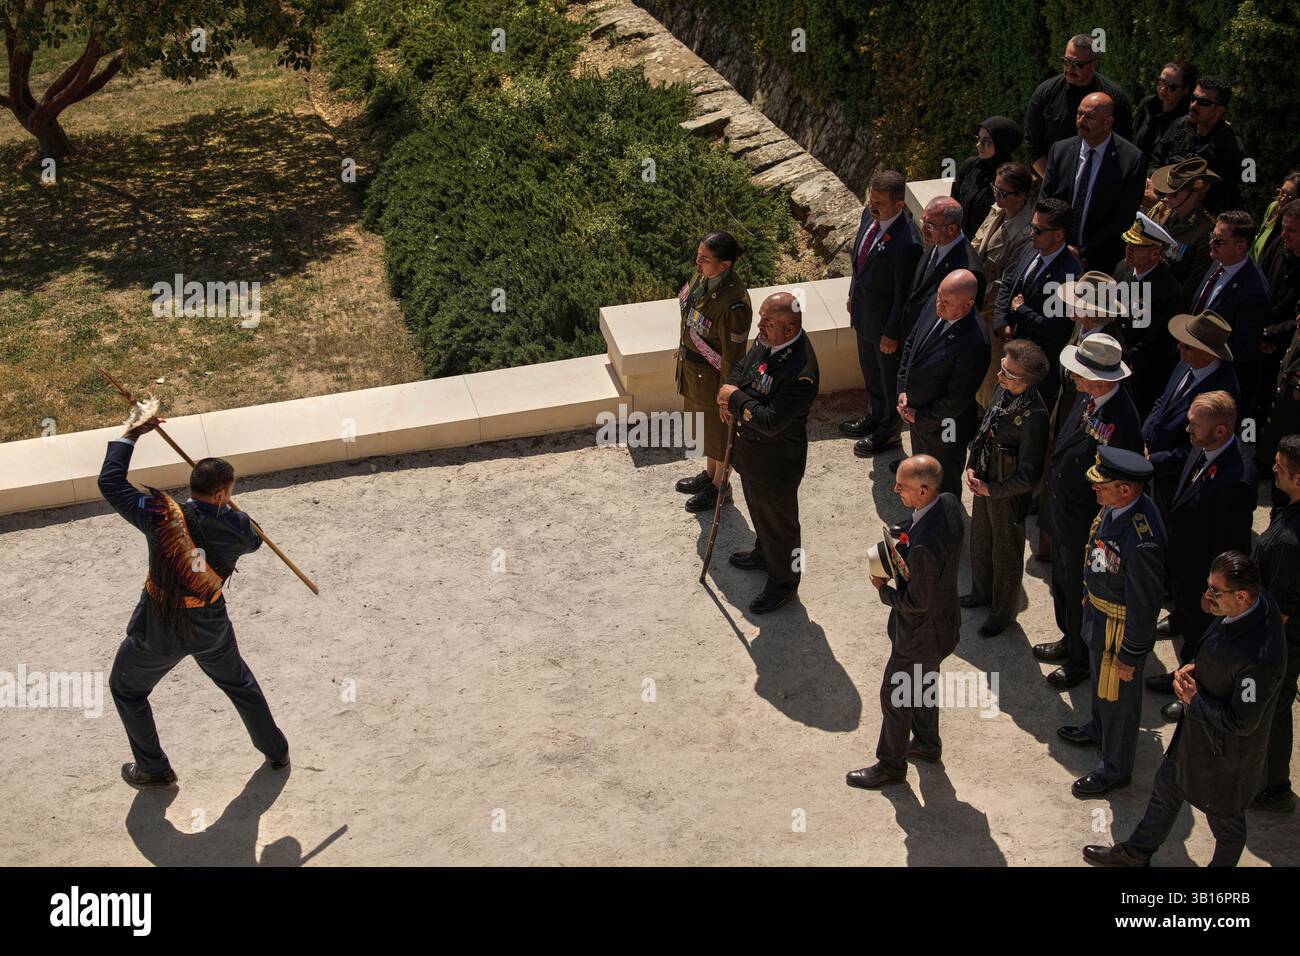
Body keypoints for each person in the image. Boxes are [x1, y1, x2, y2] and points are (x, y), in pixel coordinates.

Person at [99, 415, 290, 789]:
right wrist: (239, 515)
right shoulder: (240, 528)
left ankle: (154, 769)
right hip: (209, 625)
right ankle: (276, 750)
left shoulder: (158, 517)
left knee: (127, 689)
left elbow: (109, 482)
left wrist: (131, 434)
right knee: (239, 684)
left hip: (158, 627)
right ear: (221, 494)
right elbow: (254, 541)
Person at [1084, 552, 1286, 866]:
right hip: (1195, 737)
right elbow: (1223, 651)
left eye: (1216, 592)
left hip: (1223, 757)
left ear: (1242, 595)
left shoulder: (1257, 659)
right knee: (1167, 786)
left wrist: (1194, 698)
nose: (1207, 597)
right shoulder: (1255, 605)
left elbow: (1242, 722)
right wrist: (1200, 667)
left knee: (1226, 824)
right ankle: (1137, 853)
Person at [847, 455, 965, 790]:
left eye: (904, 486)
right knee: (923, 684)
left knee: (895, 696)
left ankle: (890, 766)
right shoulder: (949, 502)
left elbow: (916, 601)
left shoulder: (925, 549)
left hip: (919, 635)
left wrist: (883, 590)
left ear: (925, 490)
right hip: (944, 626)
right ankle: (927, 743)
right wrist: (903, 535)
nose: (895, 488)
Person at [1033, 335, 1143, 690]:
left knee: (1081, 590)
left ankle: (1080, 661)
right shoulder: (1088, 398)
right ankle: (1070, 640)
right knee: (1063, 585)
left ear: (1102, 379)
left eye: (1080, 374)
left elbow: (1120, 485)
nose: (1073, 378)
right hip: (1064, 512)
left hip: (1086, 523)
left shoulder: (1122, 420)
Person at [1057, 447, 1167, 798]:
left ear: (1126, 489)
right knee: (1102, 691)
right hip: (1100, 614)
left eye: (1102, 485)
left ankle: (1115, 768)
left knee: (1120, 697)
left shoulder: (1141, 537)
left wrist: (1131, 655)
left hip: (1120, 629)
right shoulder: (1117, 509)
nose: (1095, 490)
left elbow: (1145, 604)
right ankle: (1099, 728)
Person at [1146, 391, 1255, 722]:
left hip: (1204, 576)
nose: (1187, 430)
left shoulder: (1237, 479)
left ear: (1220, 431)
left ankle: (1194, 691)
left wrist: (1214, 592)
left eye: (1194, 424)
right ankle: (1183, 672)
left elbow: (1231, 547)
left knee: (1205, 636)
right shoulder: (1203, 447)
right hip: (1184, 567)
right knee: (1190, 631)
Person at [854, 196, 984, 457]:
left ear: (952, 229)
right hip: (916, 341)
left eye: (931, 224)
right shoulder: (934, 246)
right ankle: (913, 459)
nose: (923, 228)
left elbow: (961, 329)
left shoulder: (968, 270)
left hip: (937, 369)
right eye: (923, 221)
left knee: (938, 446)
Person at [719, 292, 819, 615]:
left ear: (790, 331)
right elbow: (743, 369)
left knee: (783, 527)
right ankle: (764, 553)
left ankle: (785, 582)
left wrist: (735, 401)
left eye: (767, 322)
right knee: (760, 514)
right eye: (761, 318)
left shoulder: (801, 371)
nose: (759, 326)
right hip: (751, 455)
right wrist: (729, 393)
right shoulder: (768, 340)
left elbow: (772, 421)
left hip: (776, 464)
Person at [962, 339, 1051, 637]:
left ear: (1026, 381)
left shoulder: (1035, 417)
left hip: (1006, 495)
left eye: (1008, 373)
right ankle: (980, 593)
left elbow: (1029, 476)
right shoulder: (1004, 391)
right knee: (981, 541)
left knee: (1006, 555)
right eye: (1002, 368)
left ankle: (1001, 614)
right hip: (985, 482)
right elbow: (984, 430)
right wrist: (972, 465)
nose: (1000, 376)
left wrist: (993, 490)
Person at [674, 232, 754, 513]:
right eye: (699, 256)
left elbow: (733, 357)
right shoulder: (704, 279)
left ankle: (721, 487)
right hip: (695, 372)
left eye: (705, 259)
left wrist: (727, 394)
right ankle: (710, 476)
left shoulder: (734, 303)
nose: (698, 263)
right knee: (707, 430)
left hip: (713, 378)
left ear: (725, 265)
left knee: (721, 435)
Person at [841, 171, 919, 451]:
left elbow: (904, 295)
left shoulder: (908, 242)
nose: (873, 207)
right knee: (871, 373)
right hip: (863, 316)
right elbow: (858, 262)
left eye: (880, 204)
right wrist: (853, 293)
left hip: (885, 327)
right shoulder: (868, 216)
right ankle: (874, 417)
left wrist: (891, 332)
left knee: (888, 382)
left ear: (899, 206)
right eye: (871, 200)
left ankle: (889, 432)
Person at [896, 270, 990, 498]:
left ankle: (944, 528)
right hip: (916, 415)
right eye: (939, 297)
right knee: (921, 476)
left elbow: (956, 400)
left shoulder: (974, 342)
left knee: (942, 482)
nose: (939, 304)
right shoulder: (936, 303)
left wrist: (920, 417)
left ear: (967, 305)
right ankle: (921, 520)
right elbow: (911, 345)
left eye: (946, 302)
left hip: (945, 427)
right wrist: (903, 389)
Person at [1141, 310, 1241, 517]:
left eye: (1187, 344)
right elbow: (1163, 401)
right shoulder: (1187, 363)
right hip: (1151, 461)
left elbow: (1202, 446)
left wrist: (1156, 459)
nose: (1179, 346)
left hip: (1175, 477)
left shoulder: (1222, 393)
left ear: (1208, 353)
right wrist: (1144, 436)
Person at [993, 197, 1083, 412]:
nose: (1031, 233)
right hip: (1011, 352)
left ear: (1059, 235)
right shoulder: (1031, 249)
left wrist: (1021, 310)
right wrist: (1001, 320)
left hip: (1036, 368)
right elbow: (1008, 283)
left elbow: (1055, 328)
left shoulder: (1070, 275)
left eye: (1038, 230)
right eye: (1031, 227)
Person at [1041, 92, 1145, 272]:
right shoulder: (1060, 150)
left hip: (1100, 261)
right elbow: (1045, 200)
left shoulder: (1130, 160)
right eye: (1079, 114)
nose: (1081, 120)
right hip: (1055, 249)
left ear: (1107, 122)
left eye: (1089, 116)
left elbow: (1123, 219)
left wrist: (1082, 251)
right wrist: (1058, 243)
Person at [1250, 435, 1300, 813]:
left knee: (1275, 708)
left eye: (1281, 468)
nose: (1273, 470)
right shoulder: (1290, 511)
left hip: (1282, 642)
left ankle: (1275, 787)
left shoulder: (1289, 543)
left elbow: (1281, 609)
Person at [1187, 210, 1271, 416]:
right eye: (1211, 237)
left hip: (1214, 382)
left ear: (1240, 246)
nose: (1211, 243)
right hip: (1191, 363)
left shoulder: (1253, 291)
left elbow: (1242, 350)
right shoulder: (1218, 262)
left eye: (1218, 240)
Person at [1024, 33, 1133, 180]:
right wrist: (1052, 181)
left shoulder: (1114, 98)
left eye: (1077, 65)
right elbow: (1032, 144)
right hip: (1053, 178)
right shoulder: (1045, 93)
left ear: (1095, 64)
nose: (1069, 69)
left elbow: (1122, 148)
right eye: (1066, 61)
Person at [972, 161, 1035, 407]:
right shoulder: (996, 211)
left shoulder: (1025, 233)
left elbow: (1006, 283)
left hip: (993, 315)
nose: (995, 195)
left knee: (991, 381)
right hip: (976, 306)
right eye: (994, 188)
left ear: (1020, 196)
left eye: (1002, 192)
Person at [1111, 212, 1185, 416]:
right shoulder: (1122, 268)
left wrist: (1123, 359)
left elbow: (1157, 342)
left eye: (1136, 247)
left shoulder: (1168, 291)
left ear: (1155, 253)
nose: (1129, 250)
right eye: (1128, 244)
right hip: (1113, 359)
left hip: (1139, 376)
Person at [1148, 76, 1245, 214]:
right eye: (1193, 98)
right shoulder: (1180, 126)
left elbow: (1221, 194)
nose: (1193, 105)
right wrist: (1153, 185)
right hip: (1162, 203)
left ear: (1220, 110)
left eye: (1203, 102)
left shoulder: (1229, 147)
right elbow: (1156, 158)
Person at [1147, 158, 1219, 301]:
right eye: (1167, 191)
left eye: (1174, 193)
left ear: (1193, 195)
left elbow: (1192, 286)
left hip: (1168, 301)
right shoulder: (1163, 212)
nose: (1166, 197)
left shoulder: (1205, 231)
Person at [951, 117, 1023, 239]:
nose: (979, 145)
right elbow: (954, 201)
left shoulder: (1010, 179)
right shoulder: (970, 165)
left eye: (986, 142)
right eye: (978, 139)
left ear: (1002, 144)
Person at [1131, 60, 1195, 158]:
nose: (1163, 89)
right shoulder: (1148, 104)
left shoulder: (1186, 117)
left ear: (1185, 89)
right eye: (1161, 81)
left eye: (1171, 86)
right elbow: (1133, 135)